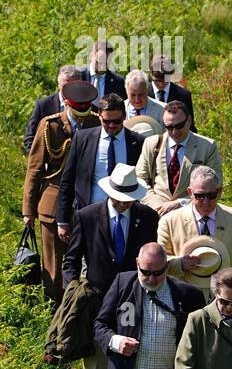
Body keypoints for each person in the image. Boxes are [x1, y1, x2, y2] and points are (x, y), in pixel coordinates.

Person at [62, 165, 159, 369]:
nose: (123, 204)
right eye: (120, 199)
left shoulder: (147, 218)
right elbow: (71, 260)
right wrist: (72, 294)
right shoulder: (87, 216)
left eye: (128, 200)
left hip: (133, 299)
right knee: (96, 366)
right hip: (96, 300)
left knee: (132, 357)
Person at [22, 79, 99, 304]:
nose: (83, 111)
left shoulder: (95, 123)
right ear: (66, 103)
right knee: (53, 266)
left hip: (86, 202)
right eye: (78, 107)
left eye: (87, 106)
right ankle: (54, 311)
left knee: (84, 261)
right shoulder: (50, 126)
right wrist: (28, 210)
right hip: (53, 202)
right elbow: (34, 169)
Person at [56, 94, 145, 238]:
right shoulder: (83, 138)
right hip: (89, 214)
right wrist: (62, 221)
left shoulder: (138, 142)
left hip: (126, 216)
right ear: (99, 116)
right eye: (107, 121)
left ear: (124, 116)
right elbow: (68, 179)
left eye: (116, 121)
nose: (111, 126)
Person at [158, 166, 232, 289]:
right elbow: (160, 262)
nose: (206, 201)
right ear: (190, 192)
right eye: (200, 196)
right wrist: (180, 263)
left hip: (223, 297)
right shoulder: (169, 221)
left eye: (211, 195)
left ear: (219, 192)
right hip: (183, 293)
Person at [136, 100, 221, 214]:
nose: (174, 131)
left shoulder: (207, 146)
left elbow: (216, 184)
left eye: (179, 126)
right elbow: (139, 179)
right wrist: (156, 204)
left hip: (191, 213)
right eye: (169, 127)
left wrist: (182, 203)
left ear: (189, 121)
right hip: (157, 212)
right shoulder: (151, 143)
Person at [23, 65, 82, 154]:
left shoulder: (87, 107)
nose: (69, 90)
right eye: (65, 85)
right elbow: (30, 137)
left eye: (73, 86)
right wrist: (38, 160)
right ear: (58, 84)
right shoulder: (43, 105)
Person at [148, 53, 194, 126]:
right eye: (157, 80)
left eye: (165, 80)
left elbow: (190, 126)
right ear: (150, 74)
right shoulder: (142, 94)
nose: (161, 84)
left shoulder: (183, 95)